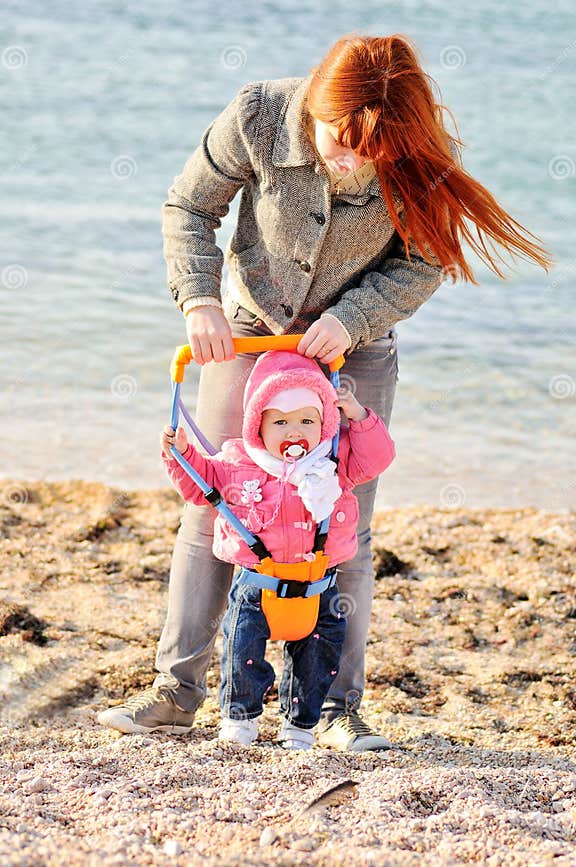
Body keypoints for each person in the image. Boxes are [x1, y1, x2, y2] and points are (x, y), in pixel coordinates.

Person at [97, 33, 552, 749]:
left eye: (372, 152)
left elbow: (427, 261)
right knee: (217, 508)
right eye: (342, 143)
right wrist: (198, 300)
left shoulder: (407, 148)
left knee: (346, 530)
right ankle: (177, 691)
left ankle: (338, 708)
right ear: (315, 104)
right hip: (249, 328)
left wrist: (353, 318)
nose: (355, 161)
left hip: (355, 348)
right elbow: (189, 207)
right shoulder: (257, 114)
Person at [158, 349, 395, 749]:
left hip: (319, 588)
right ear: (257, 424)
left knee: (315, 661)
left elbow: (379, 458)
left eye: (306, 420)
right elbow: (200, 484)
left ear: (323, 422)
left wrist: (359, 417)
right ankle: (240, 720)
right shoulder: (239, 461)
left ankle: (300, 728)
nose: (294, 431)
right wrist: (178, 449)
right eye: (280, 421)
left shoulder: (334, 461)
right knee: (242, 655)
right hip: (257, 587)